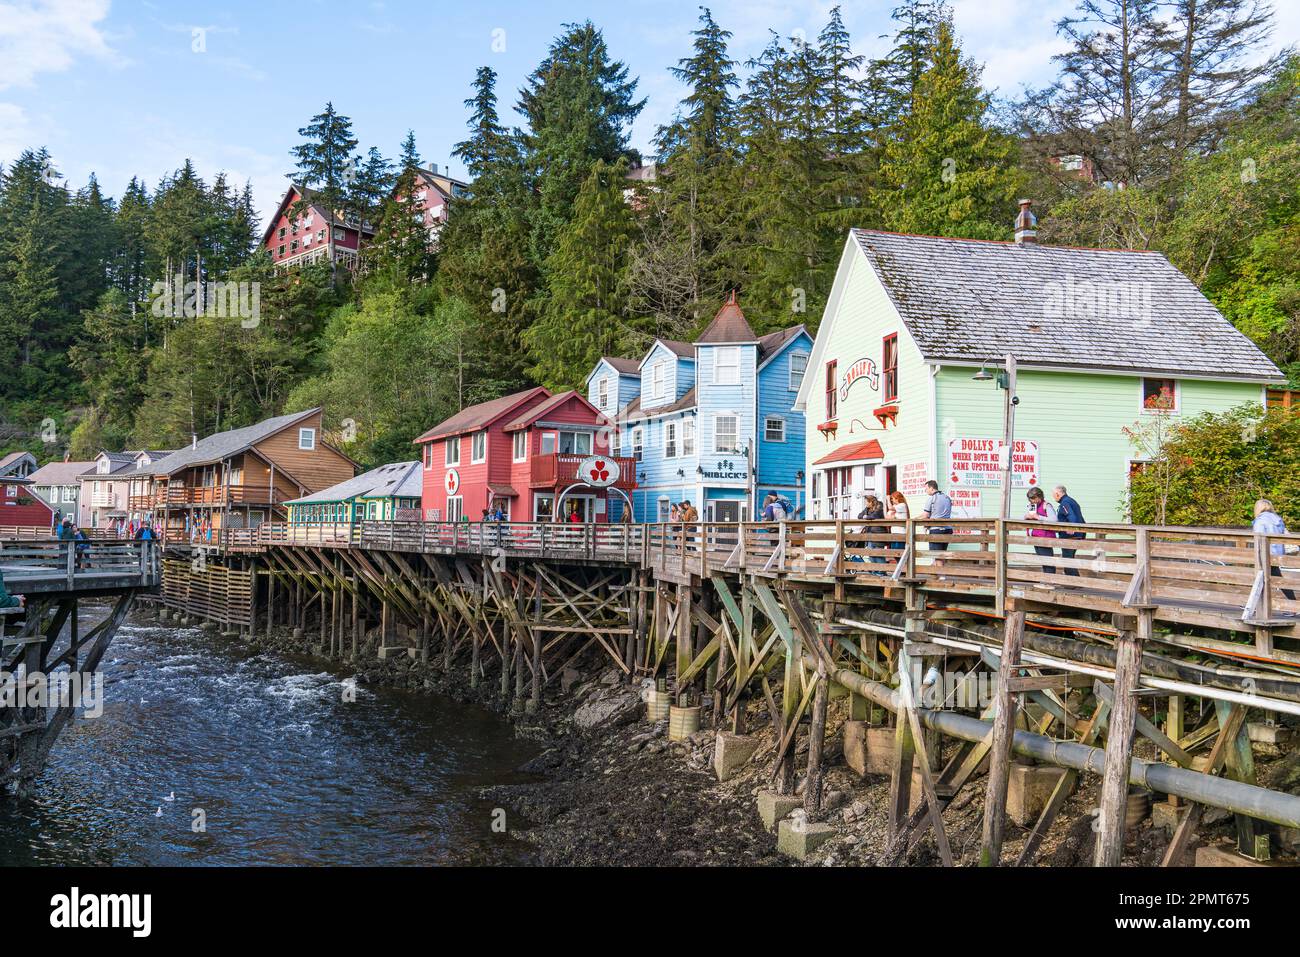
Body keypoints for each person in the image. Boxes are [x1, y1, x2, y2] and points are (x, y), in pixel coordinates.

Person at [1253, 499, 1296, 602]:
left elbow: (1258, 538)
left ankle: (1295, 605)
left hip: (1265, 554)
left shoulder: (1260, 520)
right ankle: (1251, 605)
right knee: (1272, 579)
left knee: (1262, 578)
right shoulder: (1278, 519)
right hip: (1277, 554)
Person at [1052, 485, 1087, 577]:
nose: (1053, 497)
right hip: (1078, 534)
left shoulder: (1065, 503)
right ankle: (1075, 581)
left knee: (1067, 559)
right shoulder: (1071, 501)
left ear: (1057, 494)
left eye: (1053, 494)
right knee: (1069, 558)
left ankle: (1072, 582)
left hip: (1070, 536)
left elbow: (1072, 516)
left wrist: (1072, 527)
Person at [1023, 486, 1058, 575]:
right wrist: (1026, 517)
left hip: (1045, 537)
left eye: (1034, 498)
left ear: (1040, 496)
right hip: (1035, 537)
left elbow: (1054, 520)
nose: (1033, 501)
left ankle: (1050, 580)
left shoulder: (1047, 505)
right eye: (1031, 499)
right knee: (1042, 560)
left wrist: (1038, 517)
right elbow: (1031, 518)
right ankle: (1046, 579)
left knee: (1048, 560)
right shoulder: (1032, 506)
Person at [922, 480, 954, 551]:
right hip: (948, 529)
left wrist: (925, 526)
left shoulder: (931, 499)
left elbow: (925, 516)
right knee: (942, 554)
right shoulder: (947, 498)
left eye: (926, 489)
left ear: (932, 488)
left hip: (936, 529)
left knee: (937, 556)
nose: (926, 491)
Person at [858, 494, 887, 567]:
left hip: (879, 533)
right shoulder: (867, 509)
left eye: (866, 502)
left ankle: (882, 571)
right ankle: (875, 570)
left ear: (871, 502)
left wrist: (866, 516)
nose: (865, 504)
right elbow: (859, 516)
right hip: (870, 533)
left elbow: (875, 516)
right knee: (870, 553)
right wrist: (865, 516)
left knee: (878, 553)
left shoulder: (879, 505)